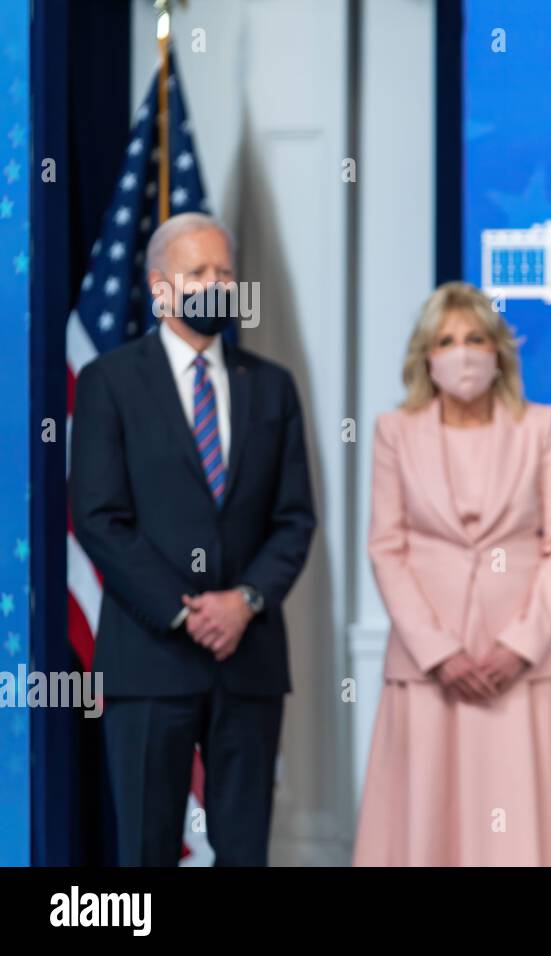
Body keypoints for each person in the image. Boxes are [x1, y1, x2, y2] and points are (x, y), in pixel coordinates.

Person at [69, 212, 316, 865]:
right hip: (150, 661)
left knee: (244, 851)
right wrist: (185, 610)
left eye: (224, 272)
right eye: (197, 272)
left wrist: (245, 601)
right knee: (146, 850)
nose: (216, 283)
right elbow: (98, 517)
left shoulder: (271, 387)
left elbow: (295, 519)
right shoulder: (109, 383)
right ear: (159, 288)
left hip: (250, 660)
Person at [353, 281, 551, 866]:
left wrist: (519, 645)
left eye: (473, 338)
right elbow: (386, 547)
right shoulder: (396, 431)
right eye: (446, 340)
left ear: (497, 350)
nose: (461, 353)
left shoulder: (538, 426)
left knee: (521, 824)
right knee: (428, 824)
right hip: (428, 667)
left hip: (525, 664)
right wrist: (439, 651)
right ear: (425, 356)